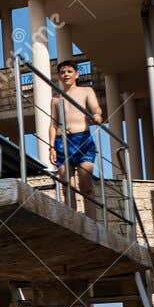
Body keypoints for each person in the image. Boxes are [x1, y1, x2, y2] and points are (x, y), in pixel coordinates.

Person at [48, 58, 102, 216]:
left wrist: (97, 115)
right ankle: (72, 221)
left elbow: (96, 108)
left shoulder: (86, 91)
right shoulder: (56, 99)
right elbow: (53, 124)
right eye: (62, 72)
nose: (66, 74)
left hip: (82, 139)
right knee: (67, 186)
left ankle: (92, 222)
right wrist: (51, 147)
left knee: (86, 183)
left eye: (69, 71)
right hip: (62, 142)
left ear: (76, 74)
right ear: (59, 76)